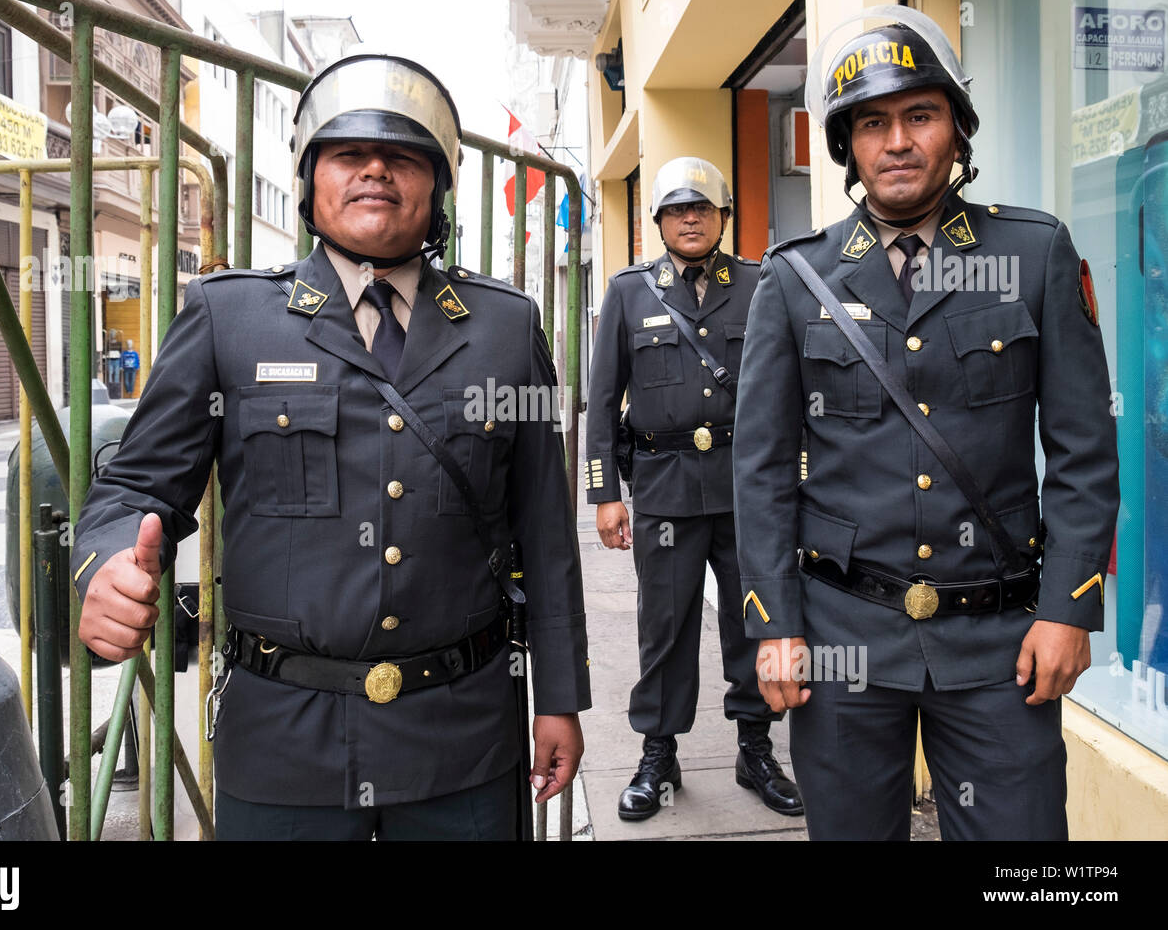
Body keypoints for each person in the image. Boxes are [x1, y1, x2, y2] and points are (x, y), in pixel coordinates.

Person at [70, 53, 590, 840]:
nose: (376, 169)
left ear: (438, 187)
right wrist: (104, 561)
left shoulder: (505, 329)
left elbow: (547, 535)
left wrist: (557, 695)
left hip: (463, 739)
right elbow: (135, 490)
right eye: (349, 154)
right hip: (285, 742)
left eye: (405, 156)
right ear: (311, 181)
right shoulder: (229, 317)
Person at [733, 6, 1118, 840]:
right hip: (842, 635)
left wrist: (1070, 608)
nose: (897, 142)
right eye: (871, 123)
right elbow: (761, 470)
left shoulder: (1034, 252)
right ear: (846, 146)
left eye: (919, 115)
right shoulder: (797, 279)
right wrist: (774, 625)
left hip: (1001, 639)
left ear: (957, 130)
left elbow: (1084, 451)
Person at [585, 157, 802, 821]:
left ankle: (755, 748)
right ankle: (658, 751)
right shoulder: (629, 292)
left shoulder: (761, 283)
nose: (690, 218)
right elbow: (601, 400)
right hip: (665, 489)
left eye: (702, 209)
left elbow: (786, 389)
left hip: (746, 489)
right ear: (657, 221)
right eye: (677, 209)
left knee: (752, 621)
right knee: (665, 626)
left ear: (723, 217)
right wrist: (603, 494)